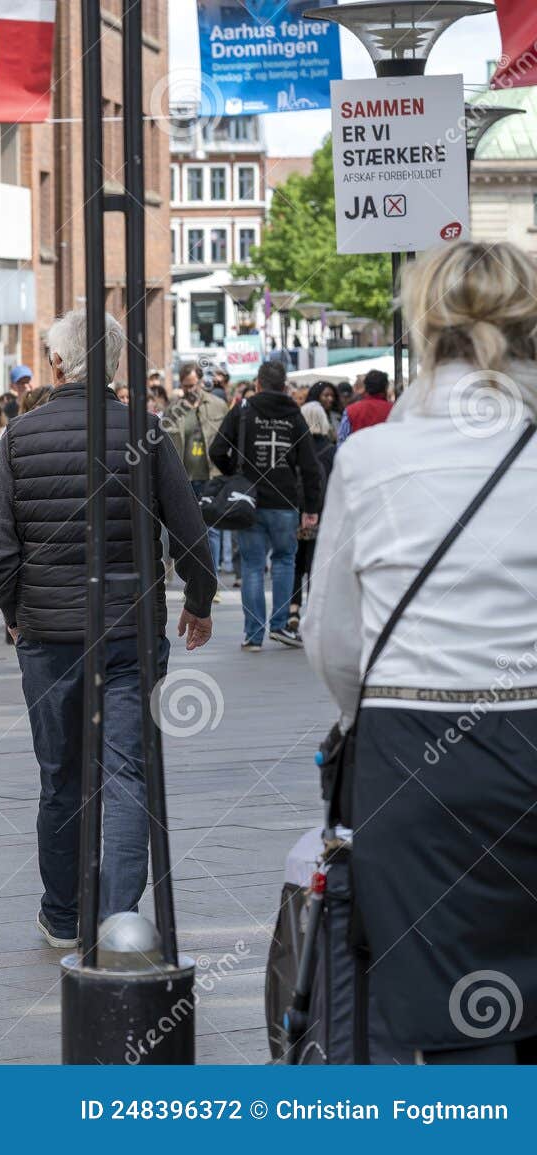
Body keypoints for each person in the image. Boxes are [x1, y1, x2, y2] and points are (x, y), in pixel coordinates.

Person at [305, 239, 537, 1064]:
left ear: (424, 328)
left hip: (417, 756)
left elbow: (331, 638)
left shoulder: (371, 456)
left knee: (454, 1026)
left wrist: (370, 707)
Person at [0, 310, 216, 949]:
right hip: (128, 633)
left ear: (57, 364)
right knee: (127, 774)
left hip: (50, 639)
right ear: (113, 364)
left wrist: (17, 613)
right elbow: (189, 530)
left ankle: (62, 916)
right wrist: (199, 599)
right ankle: (117, 919)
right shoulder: (146, 431)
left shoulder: (20, 438)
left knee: (60, 776)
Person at [209, 360, 323, 650]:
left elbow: (217, 449)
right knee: (285, 560)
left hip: (249, 500)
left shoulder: (244, 410)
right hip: (285, 501)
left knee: (252, 565)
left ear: (258, 384)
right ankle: (281, 625)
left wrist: (234, 471)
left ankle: (253, 634)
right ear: (284, 387)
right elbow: (310, 465)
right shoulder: (294, 416)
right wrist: (311, 507)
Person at [163, 362, 231, 592]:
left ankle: (213, 581)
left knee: (212, 529)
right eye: (185, 386)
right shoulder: (175, 409)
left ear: (201, 382)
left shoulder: (218, 405)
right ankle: (195, 584)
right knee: (190, 531)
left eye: (193, 385)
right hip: (186, 478)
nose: (189, 390)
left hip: (212, 475)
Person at [287, 401, 336, 632]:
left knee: (295, 561)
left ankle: (293, 608)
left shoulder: (295, 447)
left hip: (296, 509)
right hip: (322, 511)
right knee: (315, 563)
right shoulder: (331, 449)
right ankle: (314, 612)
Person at [336, 369, 393, 444]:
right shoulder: (394, 409)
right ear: (386, 387)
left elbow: (342, 440)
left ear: (365, 387)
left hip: (358, 453)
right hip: (387, 454)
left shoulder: (350, 410)